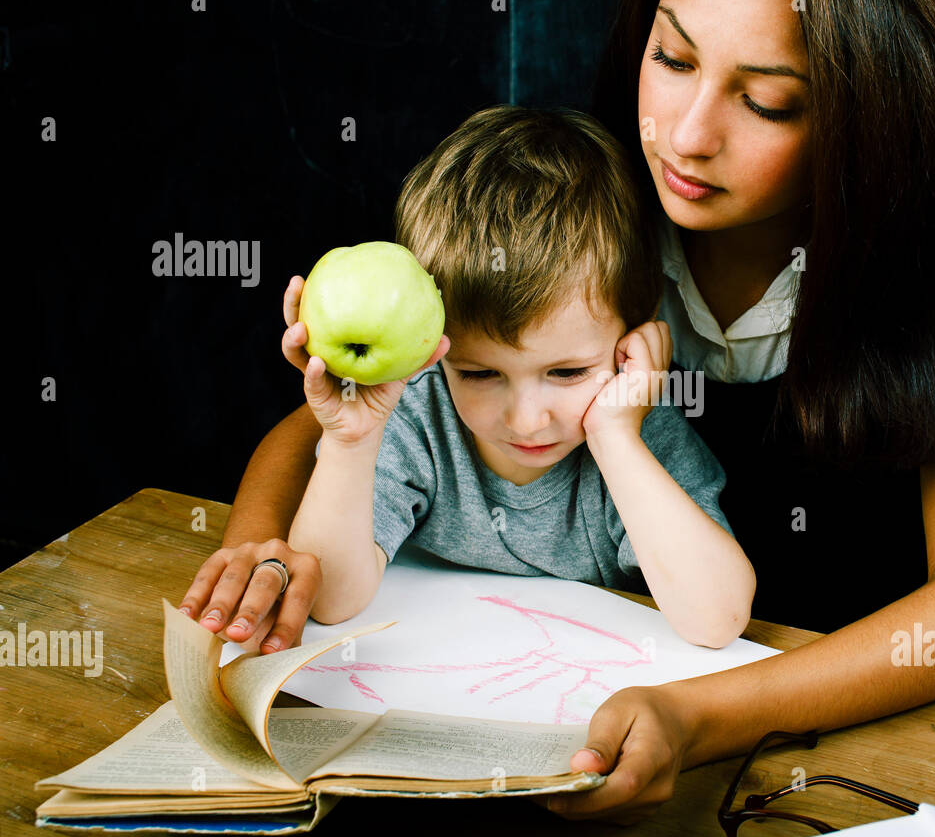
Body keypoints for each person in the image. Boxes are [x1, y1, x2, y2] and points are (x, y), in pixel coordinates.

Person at [181, 0, 935, 826]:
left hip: (854, 746)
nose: (687, 138)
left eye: (768, 102)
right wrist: (266, 552)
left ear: (883, 118)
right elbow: (338, 422)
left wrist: (702, 718)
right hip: (565, 717)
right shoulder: (595, 215)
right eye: (673, 57)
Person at [220, 105, 753, 648]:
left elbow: (719, 619)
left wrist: (616, 440)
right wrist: (349, 443)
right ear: (431, 346)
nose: (526, 419)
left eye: (568, 372)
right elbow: (329, 598)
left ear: (637, 338)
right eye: (478, 373)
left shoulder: (641, 430)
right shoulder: (415, 416)